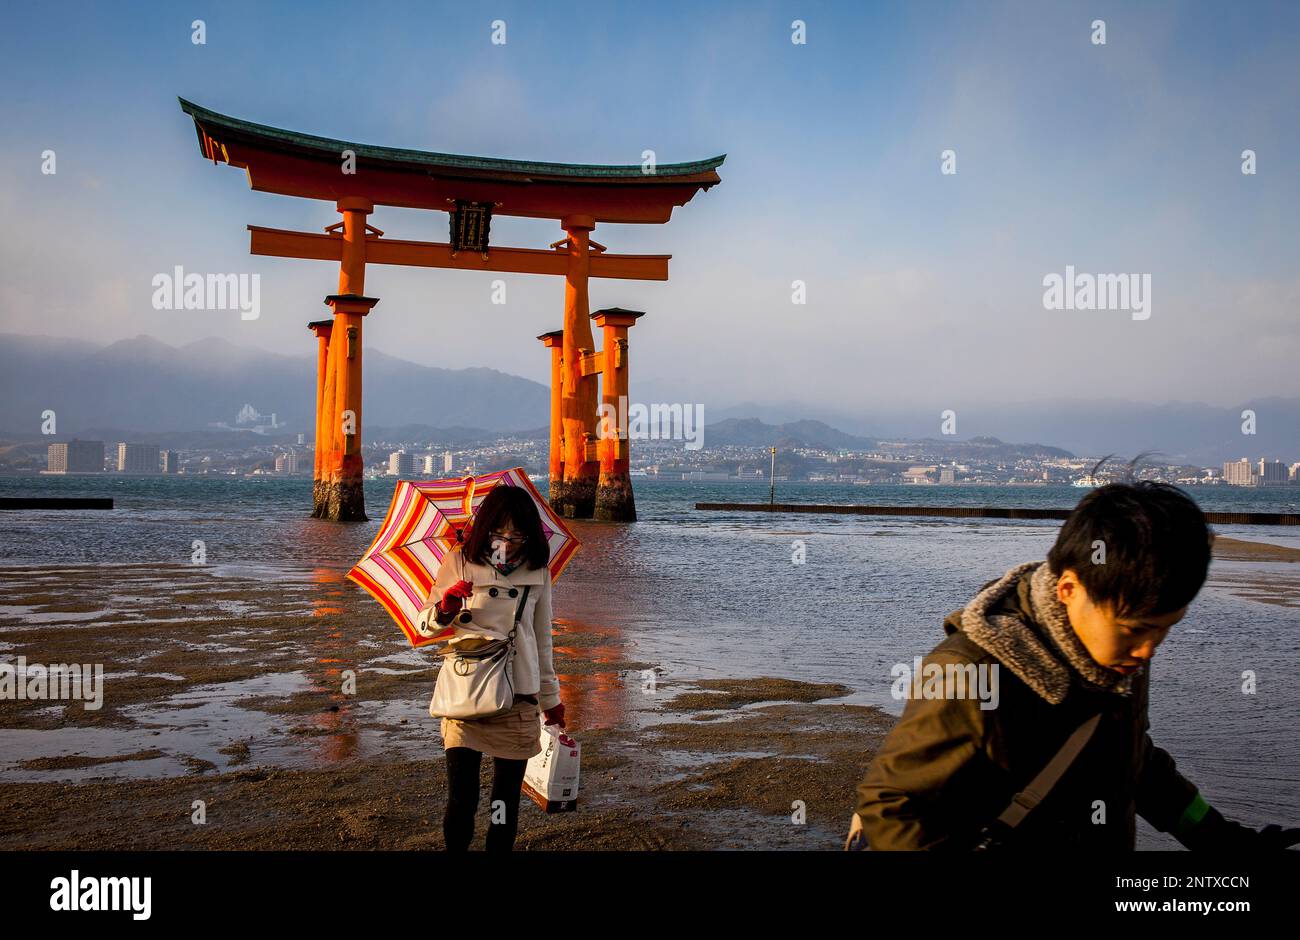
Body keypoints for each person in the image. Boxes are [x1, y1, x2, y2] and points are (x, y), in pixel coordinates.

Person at [851, 480, 1300, 850]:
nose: (1149, 651)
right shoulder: (968, 673)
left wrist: (1218, 838)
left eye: (1165, 628)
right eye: (1135, 629)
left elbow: (1132, 758)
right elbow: (893, 806)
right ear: (1069, 589)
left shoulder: (1118, 656)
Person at [414, 486, 565, 851]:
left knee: (503, 803)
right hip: (466, 690)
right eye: (500, 533)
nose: (509, 543)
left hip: (519, 695)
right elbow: (424, 625)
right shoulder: (459, 561)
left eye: (518, 535)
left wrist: (552, 701)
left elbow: (542, 640)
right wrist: (446, 608)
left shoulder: (536, 570)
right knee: (462, 799)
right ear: (486, 528)